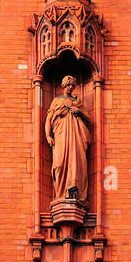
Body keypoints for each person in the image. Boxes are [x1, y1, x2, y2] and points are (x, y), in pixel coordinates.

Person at [44, 75, 91, 203]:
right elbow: (49, 119)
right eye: (69, 85)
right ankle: (60, 194)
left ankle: (73, 189)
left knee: (76, 161)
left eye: (73, 86)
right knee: (59, 164)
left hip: (76, 137)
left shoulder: (77, 102)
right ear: (64, 85)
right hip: (60, 135)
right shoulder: (56, 100)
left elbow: (89, 120)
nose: (71, 88)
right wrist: (48, 135)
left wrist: (78, 111)